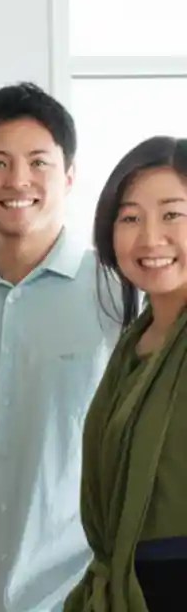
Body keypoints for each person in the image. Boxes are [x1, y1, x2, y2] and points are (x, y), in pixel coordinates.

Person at [0, 83, 122, 612]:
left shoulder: (117, 293)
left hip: (78, 594)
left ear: (68, 176)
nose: (17, 180)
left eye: (38, 163)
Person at [65, 136, 187, 611]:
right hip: (132, 587)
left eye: (172, 214)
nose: (150, 238)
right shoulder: (134, 344)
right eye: (131, 218)